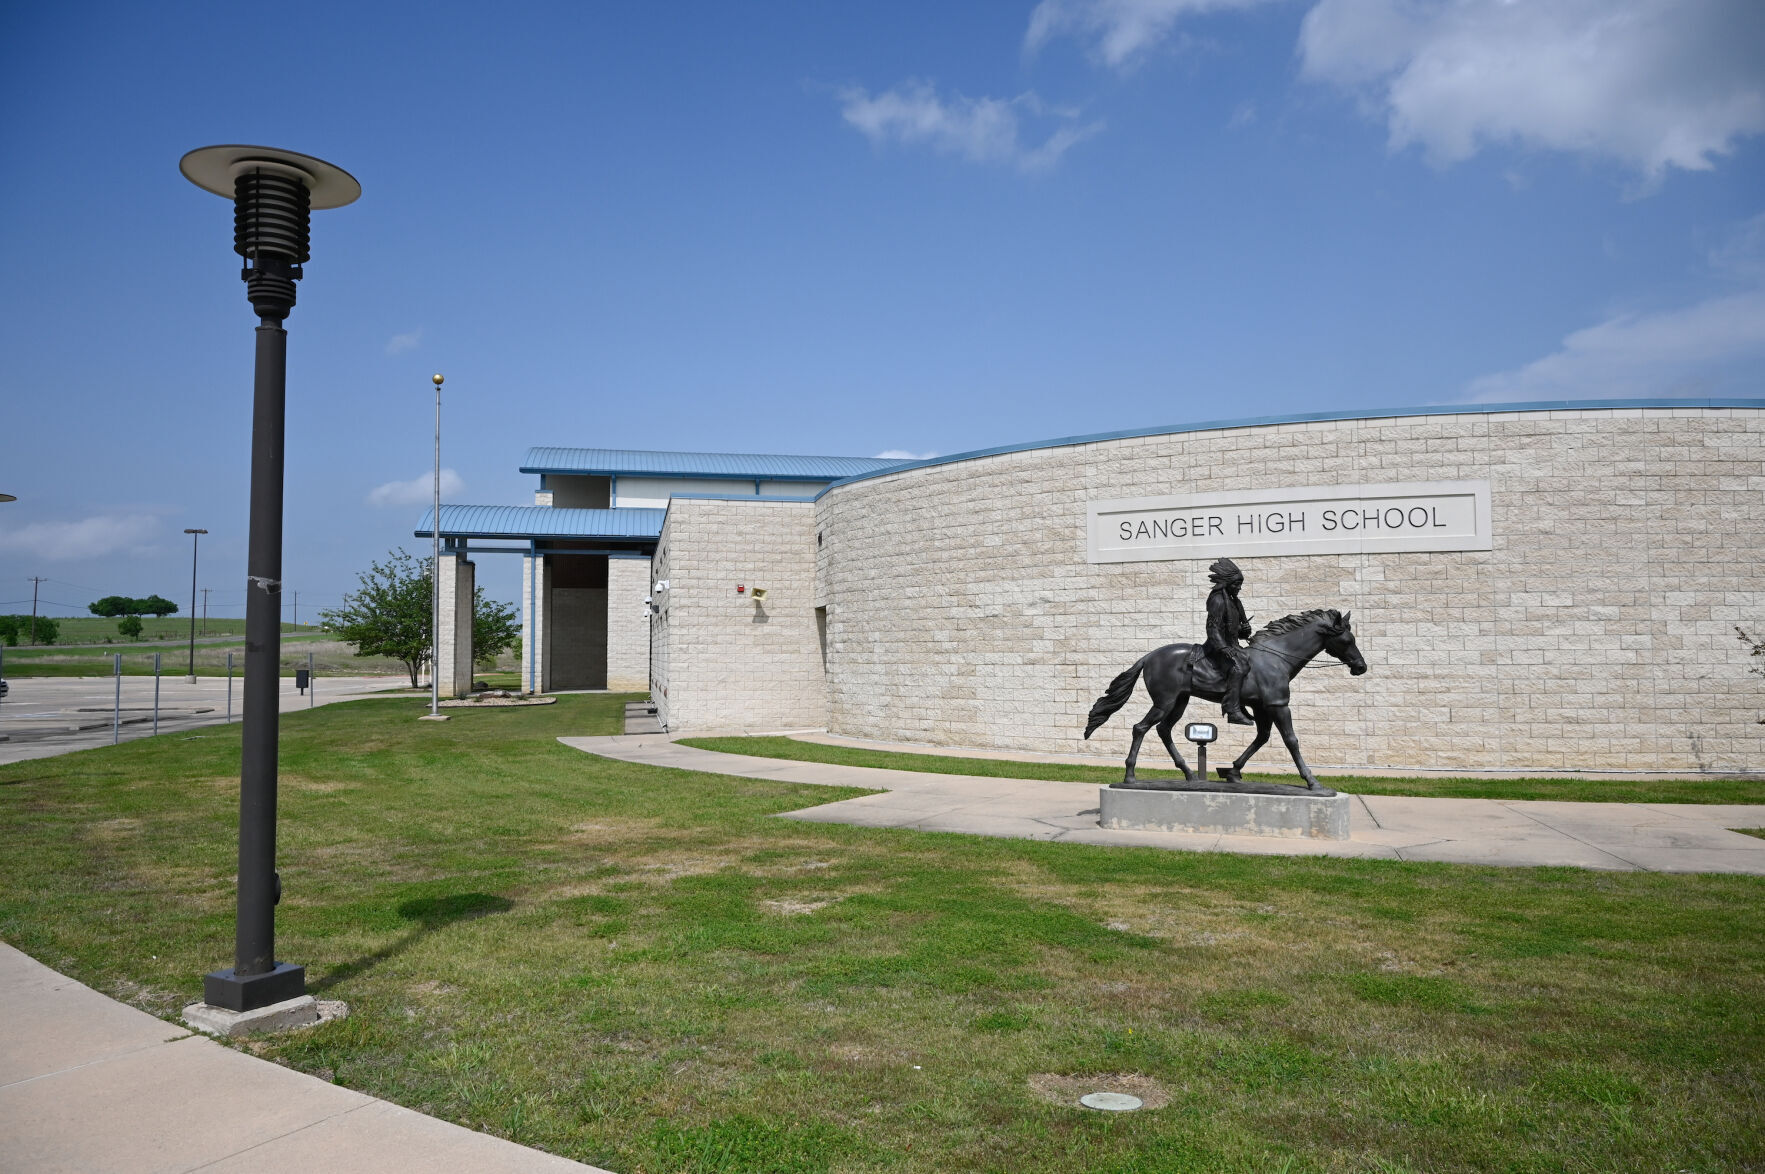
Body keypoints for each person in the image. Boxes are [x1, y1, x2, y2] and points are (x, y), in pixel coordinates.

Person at [1204, 557, 1254, 725]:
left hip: (1233, 645)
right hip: (1218, 647)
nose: (1238, 588)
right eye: (1235, 584)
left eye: (1240, 584)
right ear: (1226, 583)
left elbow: (1232, 630)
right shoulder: (1218, 600)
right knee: (1238, 668)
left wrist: (1243, 631)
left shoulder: (1234, 602)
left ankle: (1239, 701)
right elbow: (1213, 629)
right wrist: (1224, 648)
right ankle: (1232, 710)